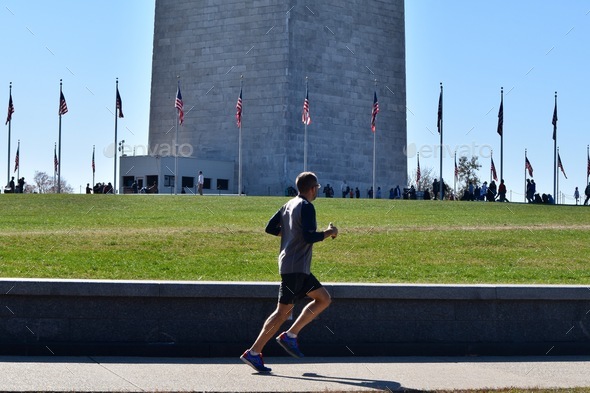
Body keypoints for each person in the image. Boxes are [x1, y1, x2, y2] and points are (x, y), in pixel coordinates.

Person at [240, 172, 338, 373]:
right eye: (317, 188)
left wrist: (290, 236)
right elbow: (309, 237)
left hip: (294, 267)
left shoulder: (288, 205)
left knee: (323, 298)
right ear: (312, 189)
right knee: (282, 313)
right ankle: (254, 351)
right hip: (296, 268)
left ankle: (291, 335)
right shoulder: (307, 207)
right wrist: (330, 233)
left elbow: (269, 228)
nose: (317, 191)